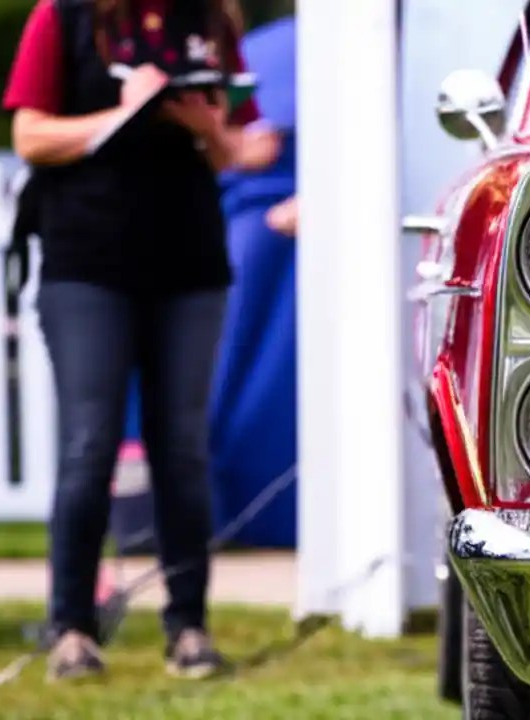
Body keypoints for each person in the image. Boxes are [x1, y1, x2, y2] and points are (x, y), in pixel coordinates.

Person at [3, 0, 281, 682]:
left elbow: (243, 147)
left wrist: (208, 130)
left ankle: (189, 628)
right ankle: (72, 629)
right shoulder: (63, 17)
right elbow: (30, 136)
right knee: (89, 444)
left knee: (182, 449)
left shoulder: (210, 20)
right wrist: (123, 114)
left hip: (189, 263)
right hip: (86, 262)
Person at [209, 12, 297, 550]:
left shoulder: (273, 48)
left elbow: (258, 147)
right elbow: (250, 147)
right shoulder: (269, 48)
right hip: (250, 222)